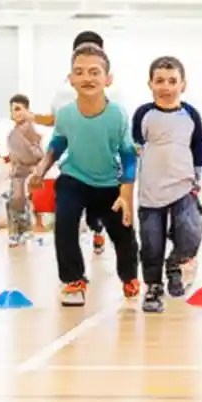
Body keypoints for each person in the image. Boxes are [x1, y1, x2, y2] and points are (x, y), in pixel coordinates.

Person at [32, 44, 140, 307]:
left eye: (94, 72)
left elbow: (128, 155)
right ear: (71, 79)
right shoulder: (66, 114)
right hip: (74, 178)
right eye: (79, 72)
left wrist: (126, 192)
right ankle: (73, 280)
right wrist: (41, 169)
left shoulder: (117, 114)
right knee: (65, 225)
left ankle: (129, 276)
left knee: (124, 233)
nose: (86, 78)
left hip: (109, 183)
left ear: (107, 79)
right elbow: (58, 143)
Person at [132, 56, 202, 313]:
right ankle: (153, 287)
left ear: (183, 85)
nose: (166, 87)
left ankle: (176, 264)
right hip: (151, 190)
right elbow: (136, 146)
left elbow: (199, 149)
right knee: (151, 242)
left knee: (191, 232)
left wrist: (198, 179)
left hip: (184, 186)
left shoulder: (191, 114)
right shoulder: (143, 114)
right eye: (160, 81)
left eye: (172, 81)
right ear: (150, 84)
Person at [6, 95, 42, 246]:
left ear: (27, 110)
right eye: (13, 109)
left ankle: (21, 232)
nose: (16, 113)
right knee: (15, 202)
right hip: (17, 172)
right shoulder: (14, 131)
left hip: (27, 171)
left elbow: (37, 152)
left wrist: (33, 166)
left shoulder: (29, 128)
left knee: (18, 201)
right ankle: (18, 232)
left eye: (19, 109)